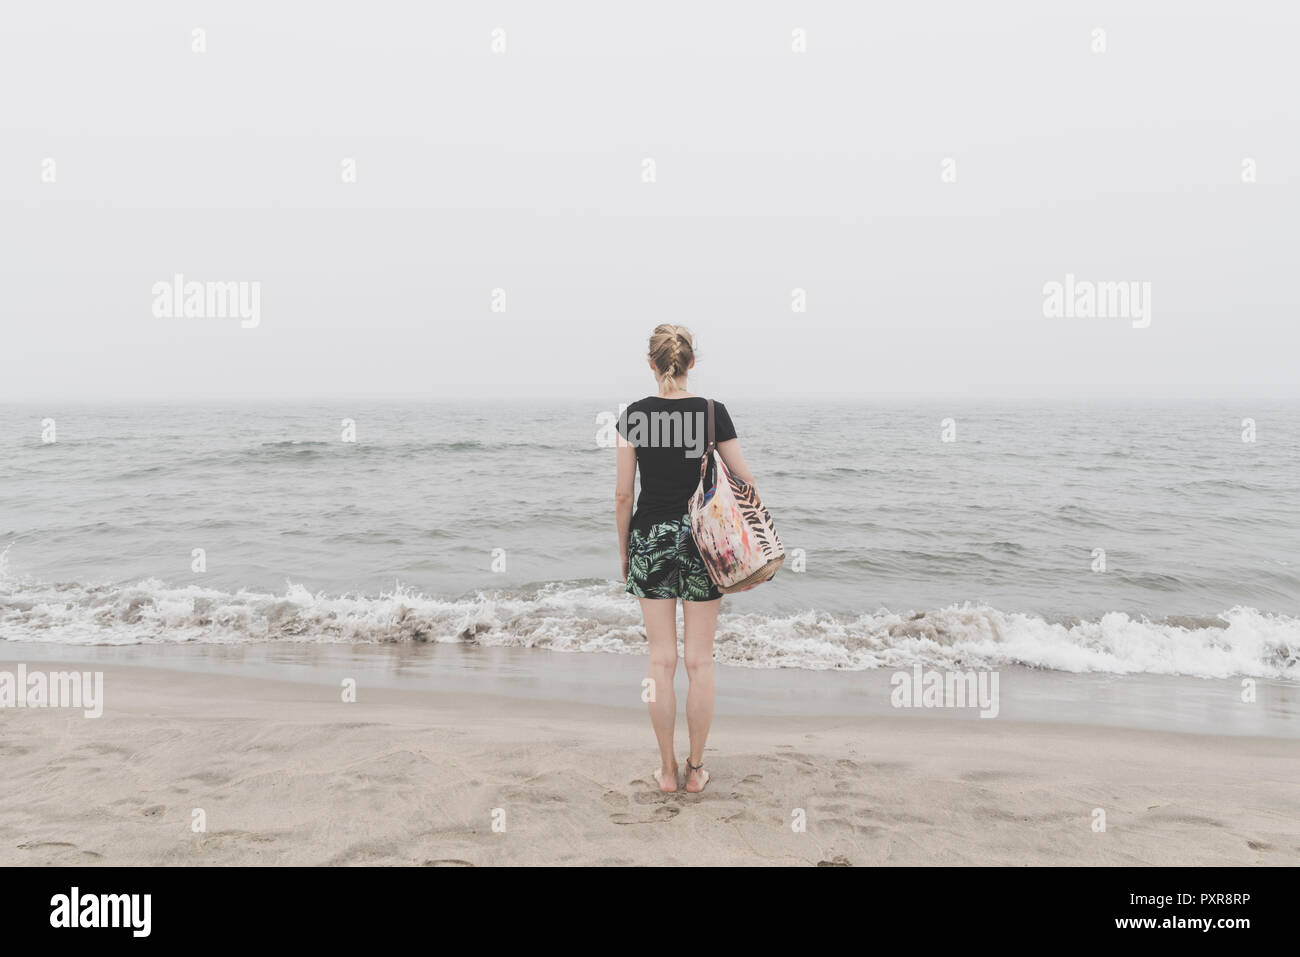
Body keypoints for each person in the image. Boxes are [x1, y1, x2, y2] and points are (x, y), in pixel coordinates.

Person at [615, 325, 755, 793]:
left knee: (661, 662)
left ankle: (667, 772)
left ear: (652, 365)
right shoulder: (713, 414)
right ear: (691, 363)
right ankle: (697, 770)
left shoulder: (634, 416)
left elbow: (622, 496)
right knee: (700, 662)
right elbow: (745, 484)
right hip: (703, 543)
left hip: (650, 538)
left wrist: (625, 551)